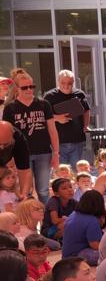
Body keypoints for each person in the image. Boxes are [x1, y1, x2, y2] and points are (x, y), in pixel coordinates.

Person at [3, 68, 60, 204]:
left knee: (43, 190)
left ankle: (45, 216)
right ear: (17, 88)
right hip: (21, 154)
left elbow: (52, 129)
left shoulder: (43, 104)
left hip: (43, 152)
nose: (29, 90)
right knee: (25, 191)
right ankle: (27, 217)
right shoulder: (10, 108)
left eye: (31, 86)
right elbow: (7, 135)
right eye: (24, 87)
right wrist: (10, 157)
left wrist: (56, 153)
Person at [42, 70, 90, 167]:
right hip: (58, 142)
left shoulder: (79, 94)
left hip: (77, 140)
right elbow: (43, 116)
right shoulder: (49, 96)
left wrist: (85, 126)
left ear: (73, 82)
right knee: (61, 171)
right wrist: (57, 118)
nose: (66, 86)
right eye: (63, 83)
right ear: (58, 81)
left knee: (77, 170)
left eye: (69, 83)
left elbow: (86, 110)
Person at [61, 190, 105, 266]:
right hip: (78, 256)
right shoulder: (92, 220)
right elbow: (94, 245)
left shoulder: (73, 214)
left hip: (66, 256)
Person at [0, 121, 34, 200]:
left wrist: (24, 195)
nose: (2, 147)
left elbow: (25, 170)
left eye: (6, 144)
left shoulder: (18, 137)